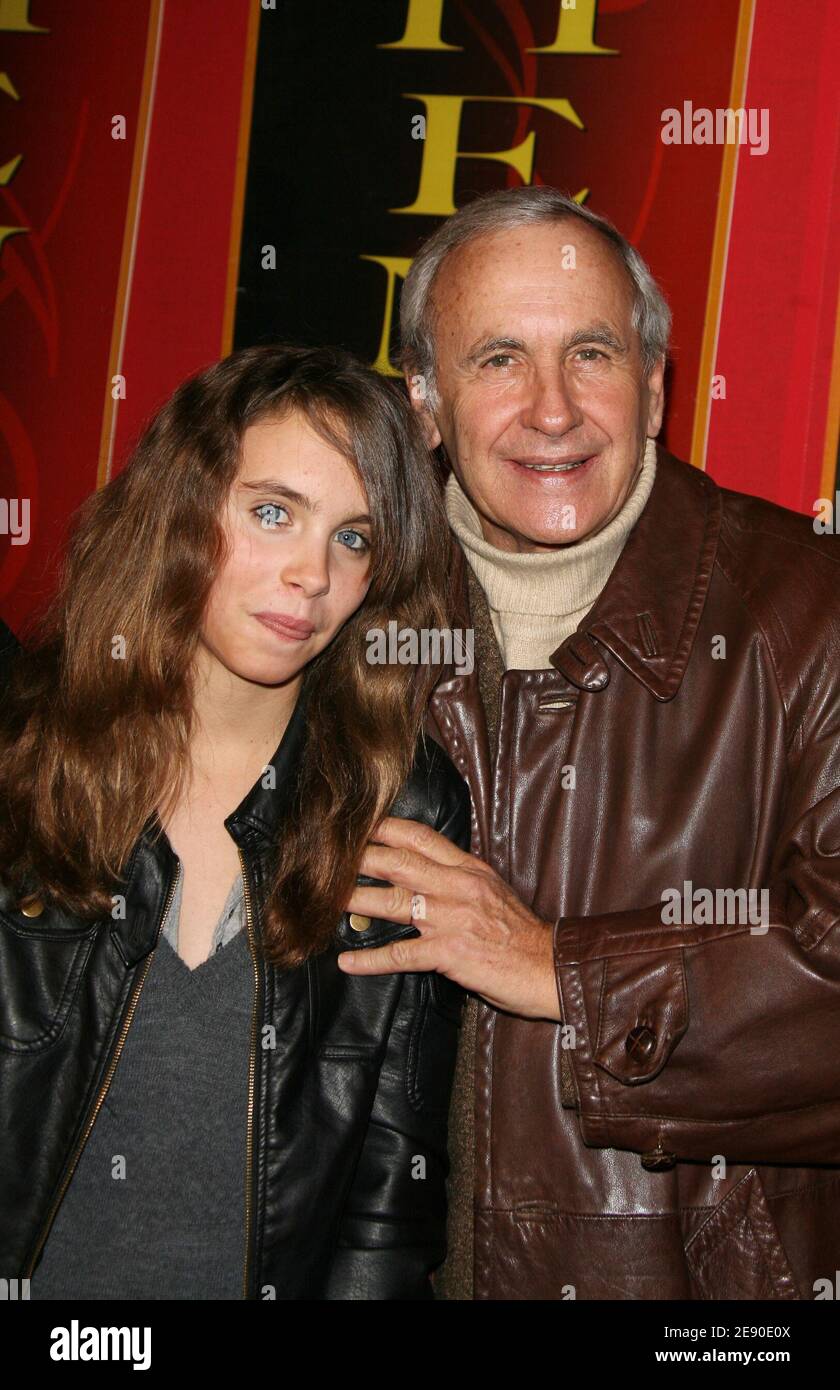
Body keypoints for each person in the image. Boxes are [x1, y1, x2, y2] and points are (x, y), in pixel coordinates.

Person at [337, 186, 840, 1300]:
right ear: (423, 400)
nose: (553, 410)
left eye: (594, 354)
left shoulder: (811, 612)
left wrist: (566, 970)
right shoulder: (334, 608)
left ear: (656, 389)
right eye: (500, 358)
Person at [0, 343, 471, 1300]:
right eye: (272, 514)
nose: (312, 574)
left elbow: (390, 1193)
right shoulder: (24, 748)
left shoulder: (403, 799)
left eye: (355, 538)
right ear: (180, 510)